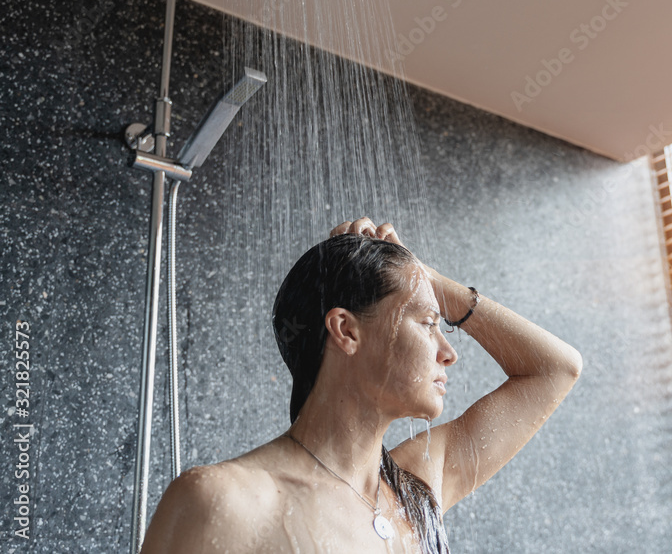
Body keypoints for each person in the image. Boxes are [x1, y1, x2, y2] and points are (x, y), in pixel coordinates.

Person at [141, 217, 583, 553]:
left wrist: (427, 280)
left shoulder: (416, 492)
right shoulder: (225, 502)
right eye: (429, 323)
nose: (449, 352)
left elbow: (557, 369)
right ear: (346, 331)